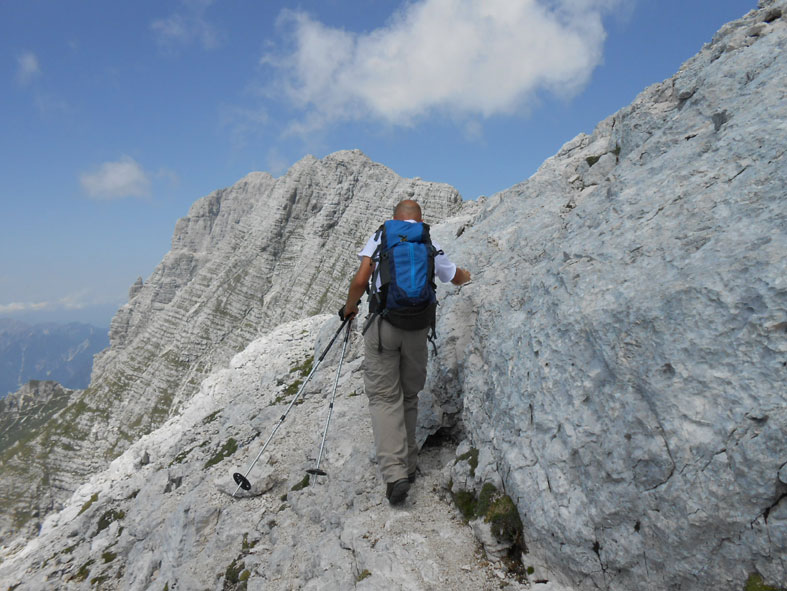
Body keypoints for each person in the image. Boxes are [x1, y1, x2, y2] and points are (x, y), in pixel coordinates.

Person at [341, 199, 471, 505]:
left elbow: (361, 279)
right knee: (409, 395)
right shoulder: (428, 241)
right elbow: (454, 276)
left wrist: (349, 309)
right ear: (420, 219)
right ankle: (410, 466)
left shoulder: (381, 237)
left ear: (395, 219)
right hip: (417, 330)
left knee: (385, 397)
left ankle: (395, 473)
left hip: (384, 327)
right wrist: (470, 276)